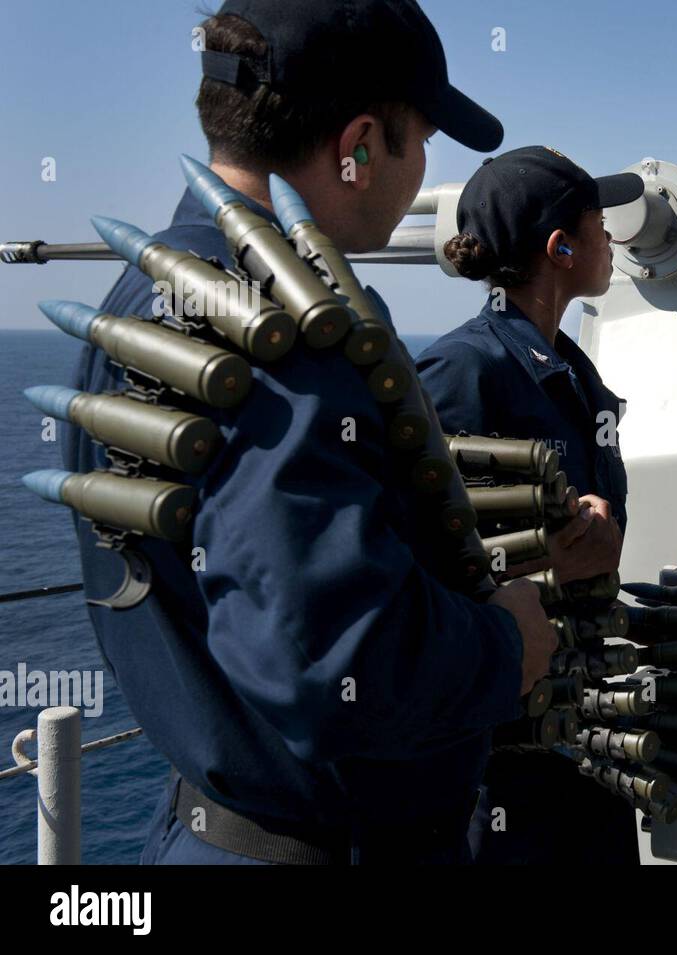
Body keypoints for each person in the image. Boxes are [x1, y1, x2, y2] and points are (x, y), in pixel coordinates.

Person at [64, 0, 556, 864]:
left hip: (207, 829)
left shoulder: (144, 297)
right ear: (360, 145)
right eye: (422, 135)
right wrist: (506, 644)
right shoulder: (288, 337)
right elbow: (332, 659)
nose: (426, 168)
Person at [415, 146, 644, 864]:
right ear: (561, 246)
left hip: (581, 725)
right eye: (601, 225)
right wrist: (550, 558)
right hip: (503, 750)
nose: (613, 240)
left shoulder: (570, 368)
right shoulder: (462, 370)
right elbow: (419, 553)